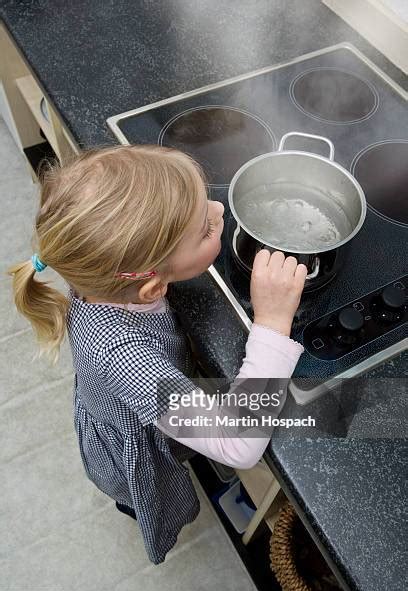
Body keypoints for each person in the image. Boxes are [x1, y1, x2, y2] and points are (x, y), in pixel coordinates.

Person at [7, 144, 308, 564]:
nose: (220, 210)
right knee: (142, 496)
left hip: (132, 409)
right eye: (205, 229)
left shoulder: (105, 276)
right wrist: (273, 323)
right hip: (129, 451)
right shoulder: (119, 354)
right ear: (152, 286)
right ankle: (133, 505)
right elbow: (238, 445)